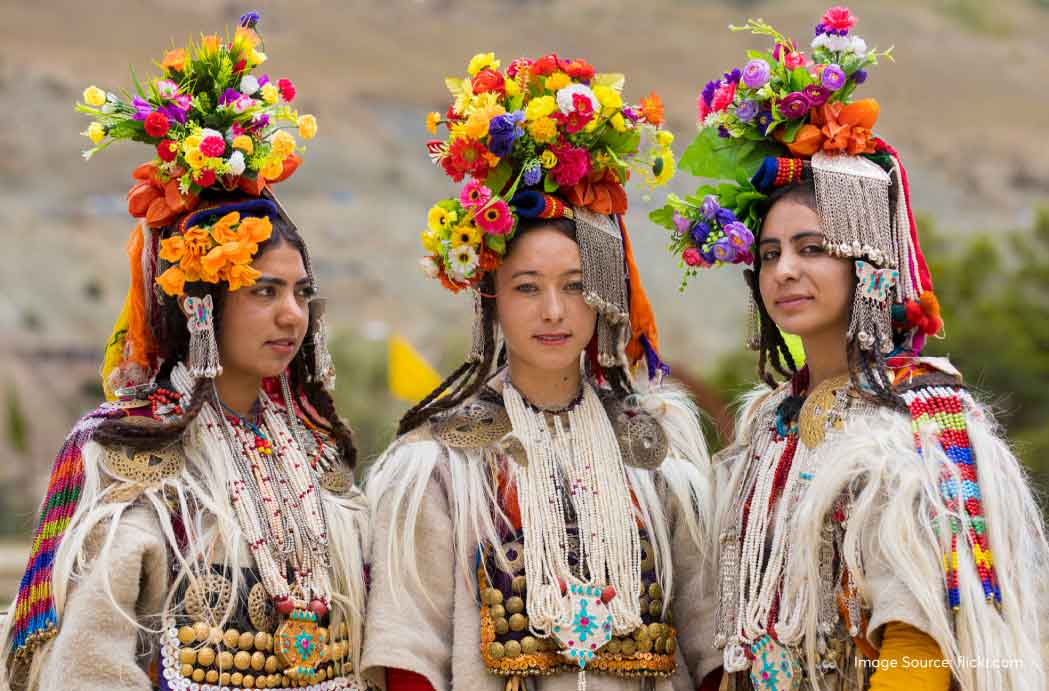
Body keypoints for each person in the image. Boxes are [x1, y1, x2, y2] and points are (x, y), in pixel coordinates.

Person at [651, 8, 1049, 691]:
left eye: (811, 248)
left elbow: (919, 633)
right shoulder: (768, 425)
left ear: (866, 261)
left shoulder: (919, 420)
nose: (784, 270)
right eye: (769, 254)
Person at [0, 12, 372, 691]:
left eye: (300, 292)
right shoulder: (130, 454)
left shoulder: (317, 450)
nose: (292, 314)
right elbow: (88, 663)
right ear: (200, 305)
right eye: (263, 291)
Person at [361, 53, 719, 691]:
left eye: (575, 286)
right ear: (491, 297)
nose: (554, 311)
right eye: (527, 287)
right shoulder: (438, 464)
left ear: (603, 293)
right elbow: (409, 648)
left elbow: (708, 636)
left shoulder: (659, 450)